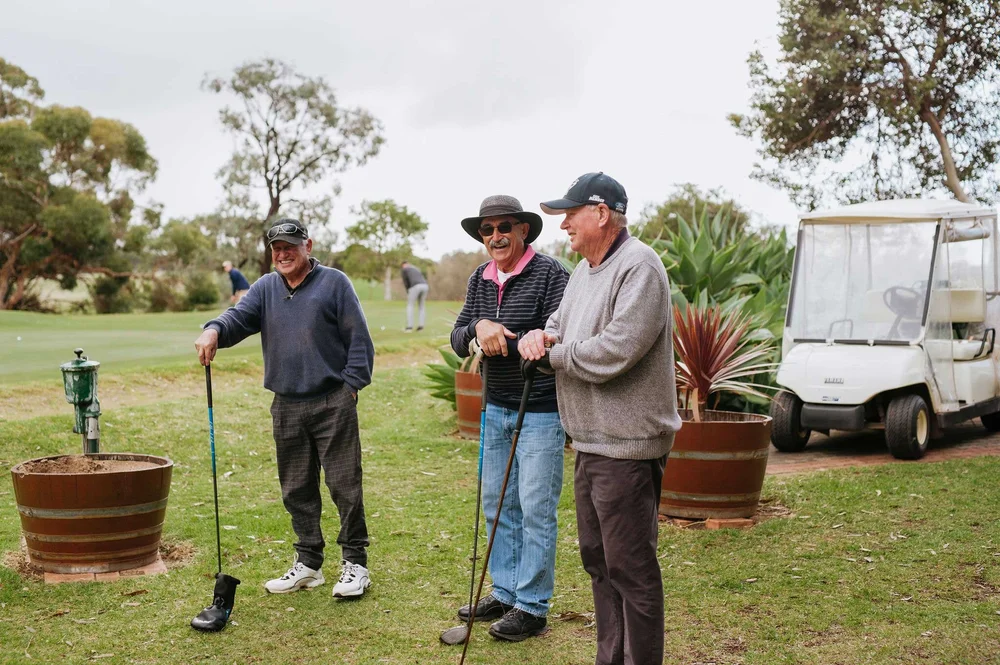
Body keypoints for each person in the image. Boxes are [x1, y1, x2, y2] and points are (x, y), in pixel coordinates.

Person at [519, 173, 681, 665]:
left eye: (571, 214)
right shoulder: (585, 271)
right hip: (591, 442)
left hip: (626, 446)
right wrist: (542, 336)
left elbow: (616, 350)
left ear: (602, 213)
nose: (564, 224)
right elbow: (559, 324)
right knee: (599, 562)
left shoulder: (639, 267)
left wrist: (552, 356)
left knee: (630, 569)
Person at [194, 218, 376, 599]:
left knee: (344, 485)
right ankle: (309, 563)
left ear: (308, 245)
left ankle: (355, 564)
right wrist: (214, 329)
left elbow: (359, 339)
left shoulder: (335, 283)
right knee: (296, 488)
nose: (283, 254)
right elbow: (237, 318)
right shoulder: (265, 288)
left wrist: (351, 388)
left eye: (290, 246)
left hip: (332, 401)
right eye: (277, 248)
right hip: (286, 404)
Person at [450, 194, 570, 642]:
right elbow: (457, 337)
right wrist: (479, 328)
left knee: (536, 508)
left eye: (505, 227)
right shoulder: (479, 278)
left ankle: (532, 606)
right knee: (497, 504)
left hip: (540, 410)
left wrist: (530, 338)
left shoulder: (551, 273)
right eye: (488, 229)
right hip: (495, 407)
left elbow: (563, 332)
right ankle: (504, 592)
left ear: (523, 230)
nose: (496, 236)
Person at [400, 260, 429, 332]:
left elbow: (405, 281)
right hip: (425, 285)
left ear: (403, 265)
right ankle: (421, 326)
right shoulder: (416, 268)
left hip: (415, 286)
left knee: (410, 305)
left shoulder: (404, 270)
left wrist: (408, 291)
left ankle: (409, 327)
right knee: (421, 306)